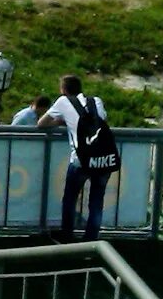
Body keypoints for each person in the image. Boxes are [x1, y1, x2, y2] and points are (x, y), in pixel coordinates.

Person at [40, 74, 118, 242]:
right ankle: (91, 240)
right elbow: (103, 119)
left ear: (63, 90)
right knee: (96, 202)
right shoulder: (96, 100)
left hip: (80, 160)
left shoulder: (63, 102)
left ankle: (67, 235)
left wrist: (62, 122)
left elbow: (42, 123)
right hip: (103, 159)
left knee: (70, 198)